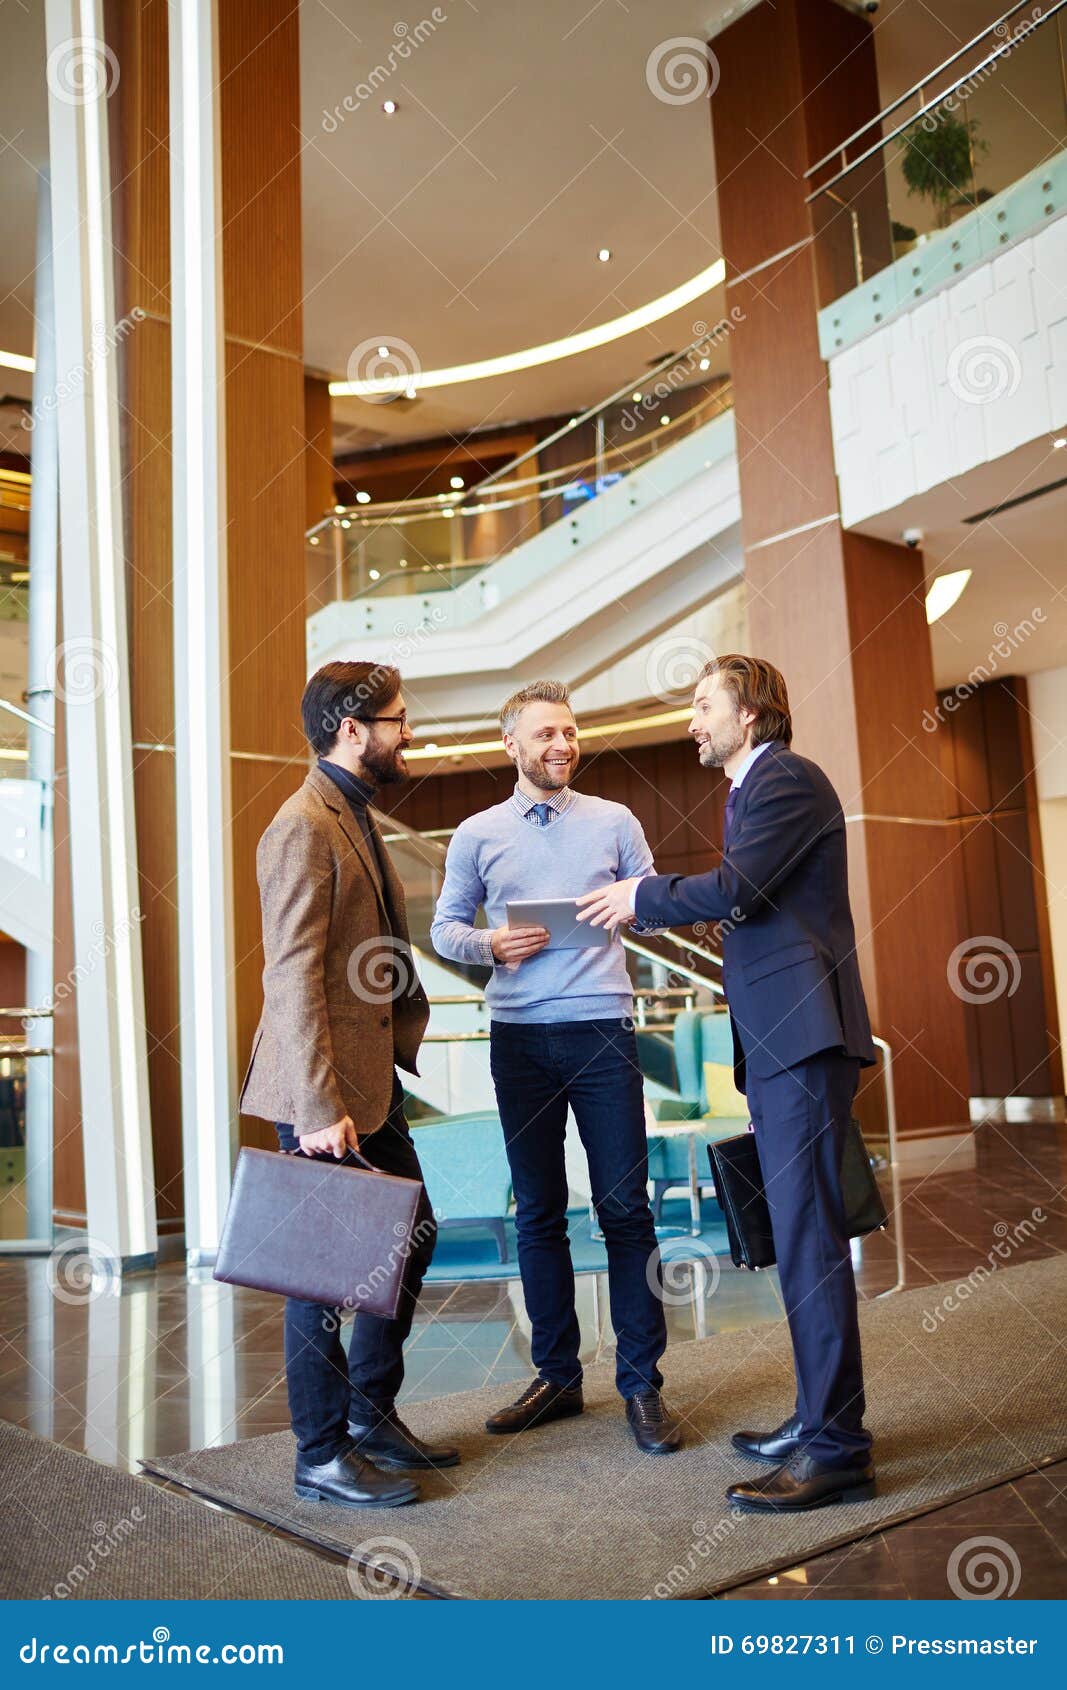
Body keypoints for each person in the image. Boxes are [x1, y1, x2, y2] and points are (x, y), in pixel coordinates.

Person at [576, 654, 878, 1512]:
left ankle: (836, 1449)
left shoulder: (785, 779)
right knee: (798, 1242)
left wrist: (641, 895)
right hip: (783, 1043)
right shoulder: (751, 789)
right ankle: (819, 1416)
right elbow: (755, 906)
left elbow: (739, 887)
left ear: (750, 713)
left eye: (703, 704)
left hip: (802, 1043)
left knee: (813, 1246)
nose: (691, 721)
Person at [430, 680, 681, 1454]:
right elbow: (443, 927)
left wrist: (630, 902)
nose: (561, 745)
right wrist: (488, 946)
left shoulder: (614, 821)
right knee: (536, 1214)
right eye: (544, 735)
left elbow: (657, 899)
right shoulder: (476, 833)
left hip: (603, 1035)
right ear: (511, 746)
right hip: (520, 1042)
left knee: (624, 1210)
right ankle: (557, 1378)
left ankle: (641, 1386)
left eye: (568, 733)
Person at [239, 660, 459, 1509]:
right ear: (352, 729)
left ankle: (370, 1417)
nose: (411, 733)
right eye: (400, 720)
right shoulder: (303, 824)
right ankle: (320, 1455)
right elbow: (290, 975)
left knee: (414, 1235)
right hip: (324, 1093)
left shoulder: (351, 813)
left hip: (369, 1082)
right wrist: (319, 1106)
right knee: (326, 1275)